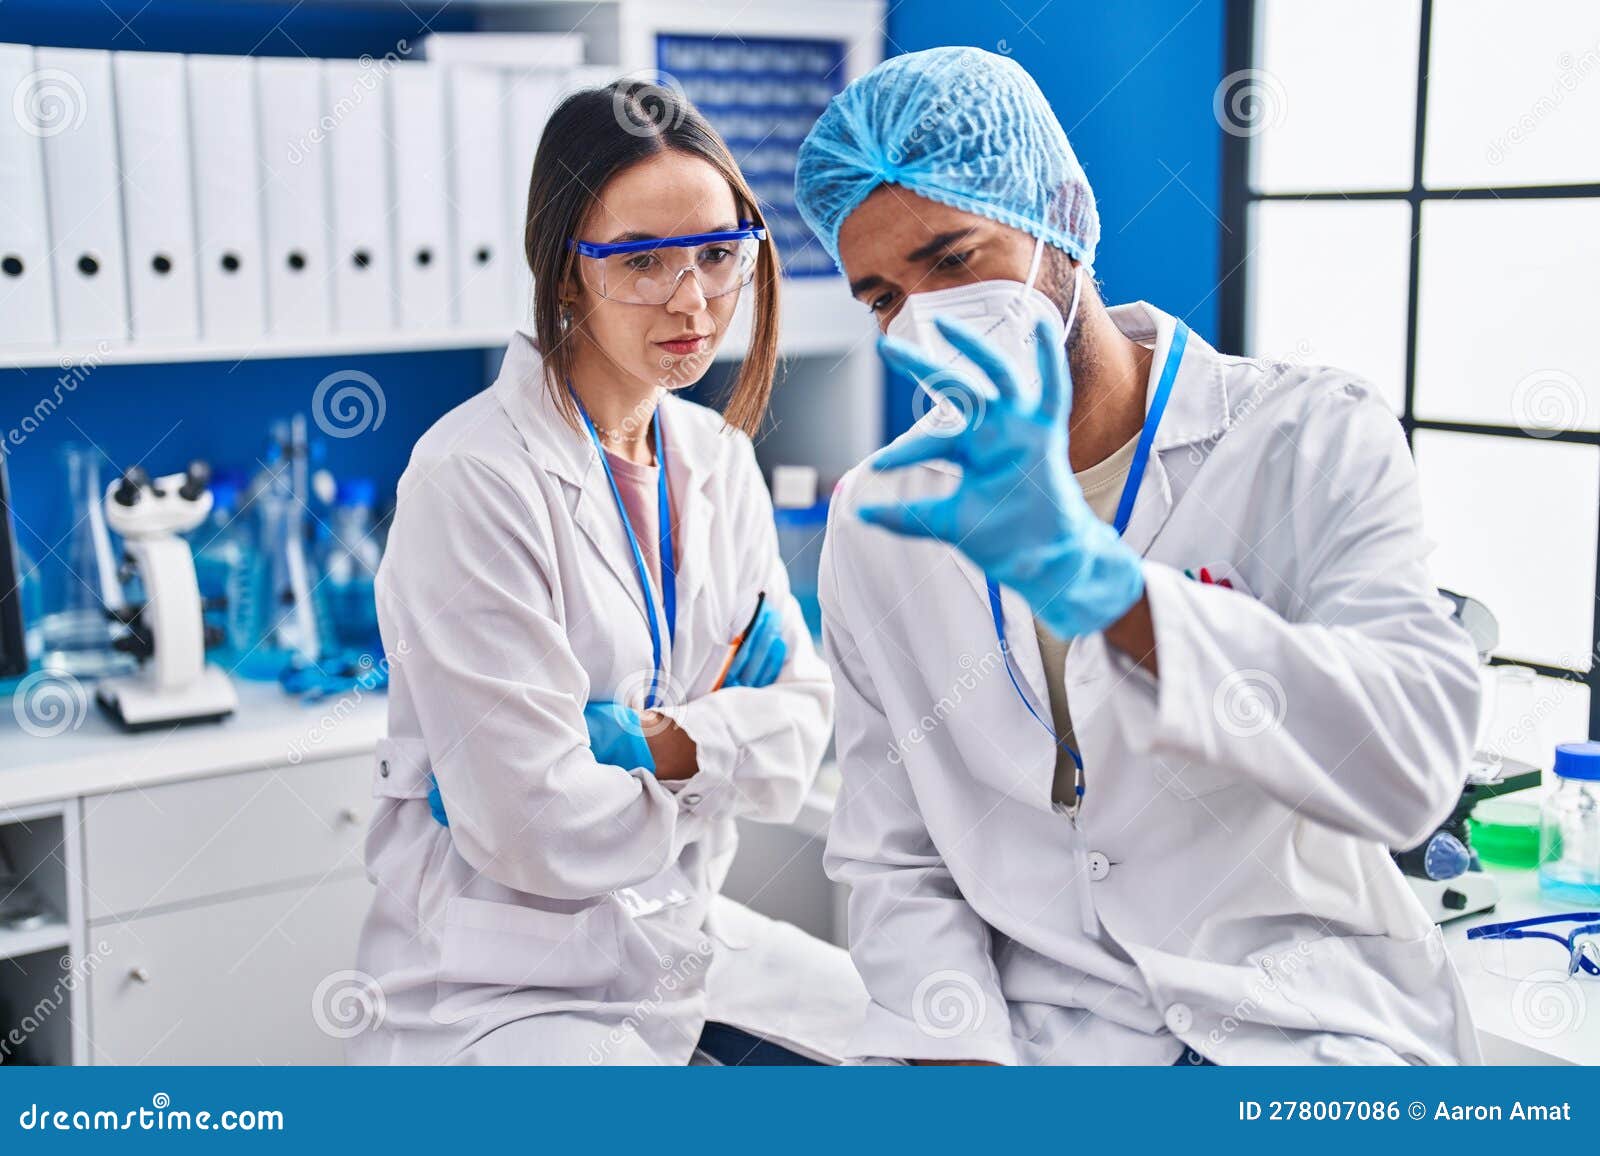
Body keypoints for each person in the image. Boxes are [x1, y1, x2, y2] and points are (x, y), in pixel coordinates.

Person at [793, 47, 1483, 1066]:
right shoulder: (880, 516)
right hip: (1047, 1047)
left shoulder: (1305, 434)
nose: (924, 318)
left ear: (1061, 219)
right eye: (883, 297)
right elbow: (894, 859)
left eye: (954, 260)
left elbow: (1410, 769)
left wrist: (1110, 592)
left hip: (1305, 1032)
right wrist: (956, 1062)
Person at [352, 82, 861, 1065]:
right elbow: (535, 826)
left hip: (678, 937)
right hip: (499, 986)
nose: (692, 299)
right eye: (640, 261)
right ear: (565, 273)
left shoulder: (718, 460)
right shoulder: (473, 476)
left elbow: (801, 728)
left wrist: (641, 743)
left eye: (718, 253)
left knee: (915, 1043)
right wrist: (717, 747)